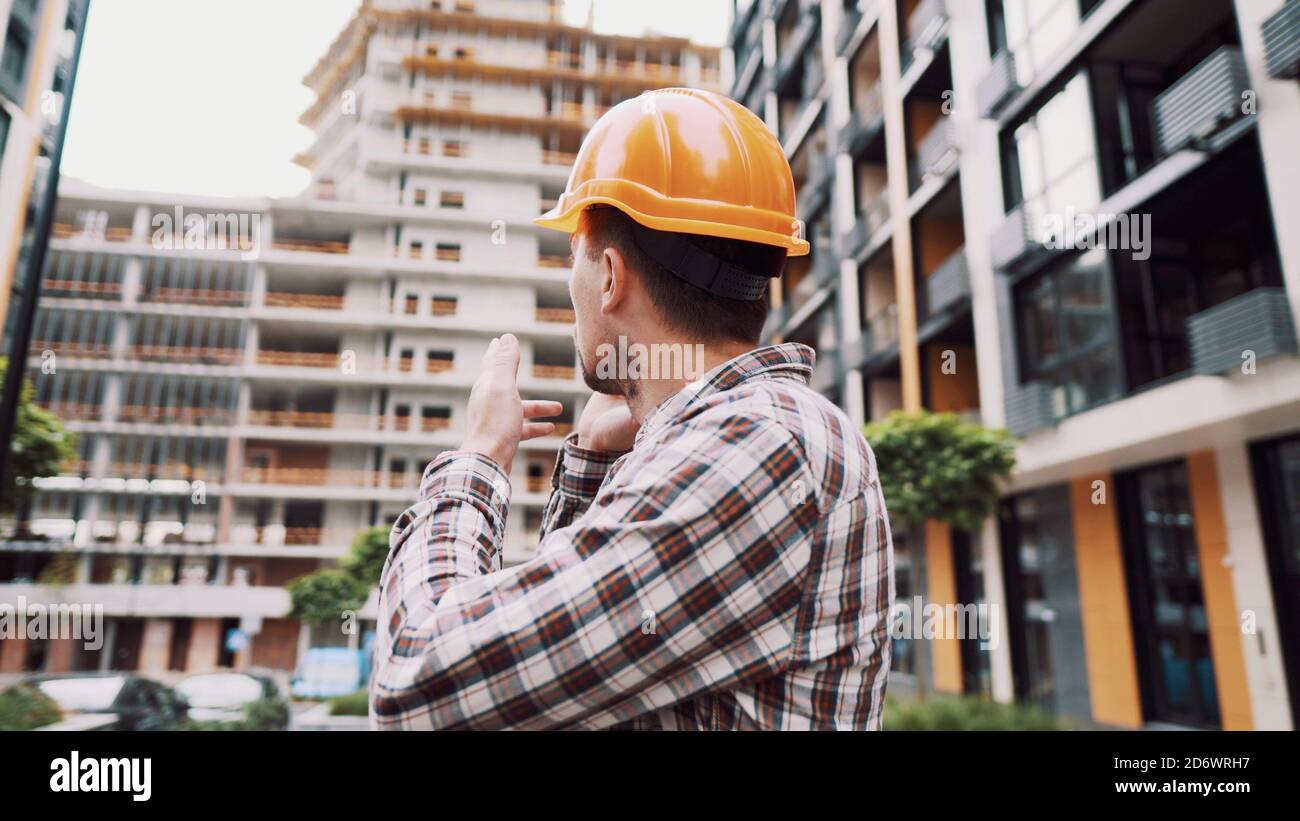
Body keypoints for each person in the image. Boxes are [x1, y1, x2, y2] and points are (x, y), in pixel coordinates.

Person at [371, 88, 893, 730]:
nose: (573, 290)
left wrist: (477, 460)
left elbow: (416, 680)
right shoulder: (735, 440)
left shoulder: (760, 445)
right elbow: (550, 691)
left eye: (575, 261)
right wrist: (593, 462)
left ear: (611, 277)